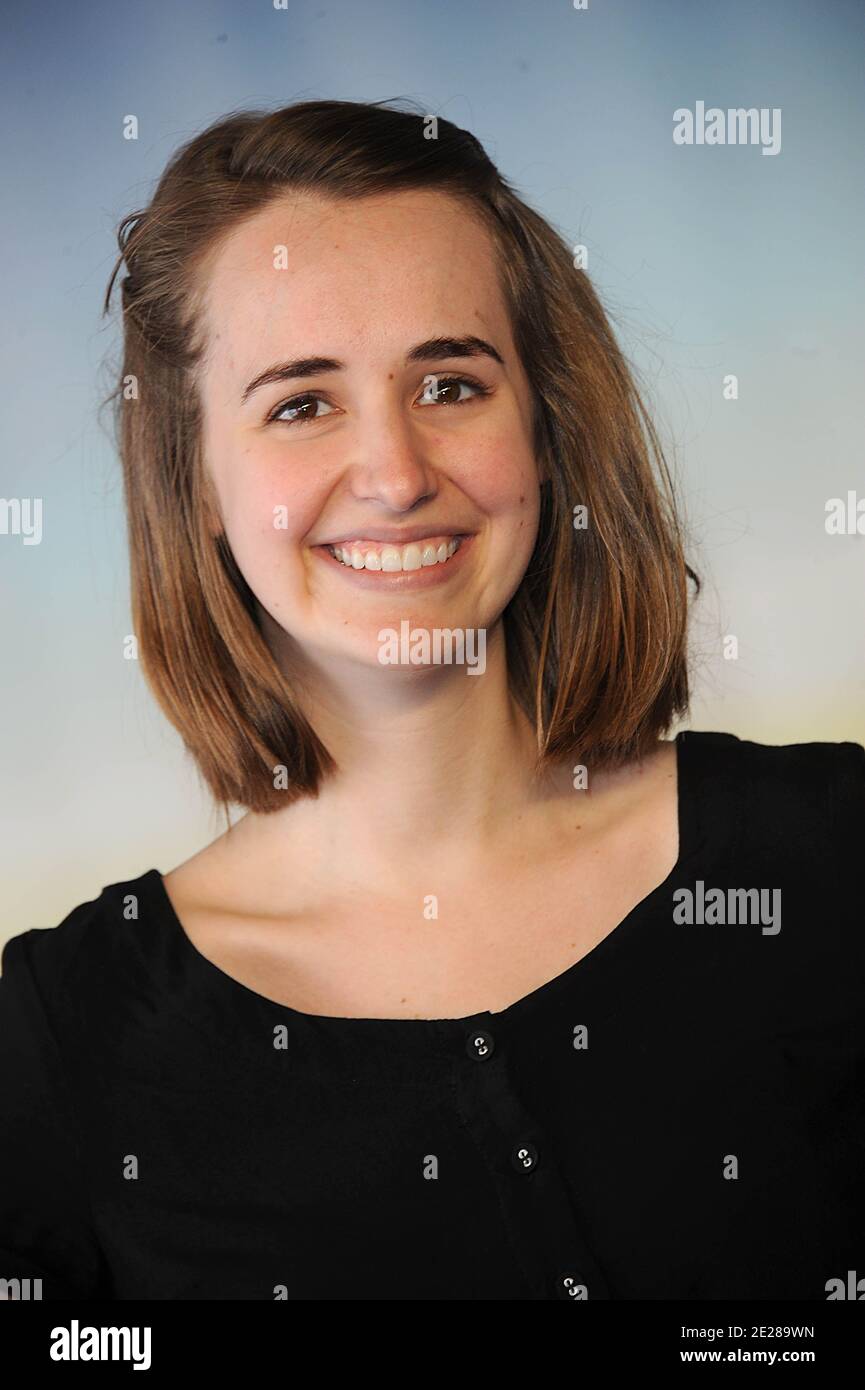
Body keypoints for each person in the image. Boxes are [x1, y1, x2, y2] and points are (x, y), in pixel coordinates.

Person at [1, 99, 862, 1302]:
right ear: (192, 481)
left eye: (450, 385)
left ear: (547, 429)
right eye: (301, 403)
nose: (398, 475)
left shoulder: (832, 854)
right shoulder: (64, 1042)